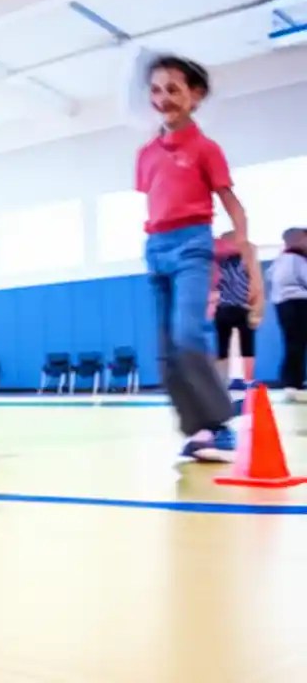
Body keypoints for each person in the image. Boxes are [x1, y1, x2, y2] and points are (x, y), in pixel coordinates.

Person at [136, 54, 253, 461]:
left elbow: (232, 205)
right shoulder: (147, 153)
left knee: (189, 337)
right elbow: (155, 204)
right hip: (156, 248)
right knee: (166, 353)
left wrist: (248, 262)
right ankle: (198, 429)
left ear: (195, 96)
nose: (163, 97)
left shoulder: (206, 148)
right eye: (155, 89)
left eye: (173, 88)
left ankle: (221, 426)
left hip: (192, 245)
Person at [208, 230, 262, 388]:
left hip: (230, 307)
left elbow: (256, 285)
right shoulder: (239, 261)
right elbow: (256, 285)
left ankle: (230, 379)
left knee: (227, 345)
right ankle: (244, 379)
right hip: (236, 306)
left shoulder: (221, 263)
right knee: (243, 344)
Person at [269, 227, 307, 401]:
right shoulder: (295, 259)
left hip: (282, 304)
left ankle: (292, 381)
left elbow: (271, 277)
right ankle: (293, 382)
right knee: (296, 343)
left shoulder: (279, 260)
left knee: (293, 343)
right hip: (298, 303)